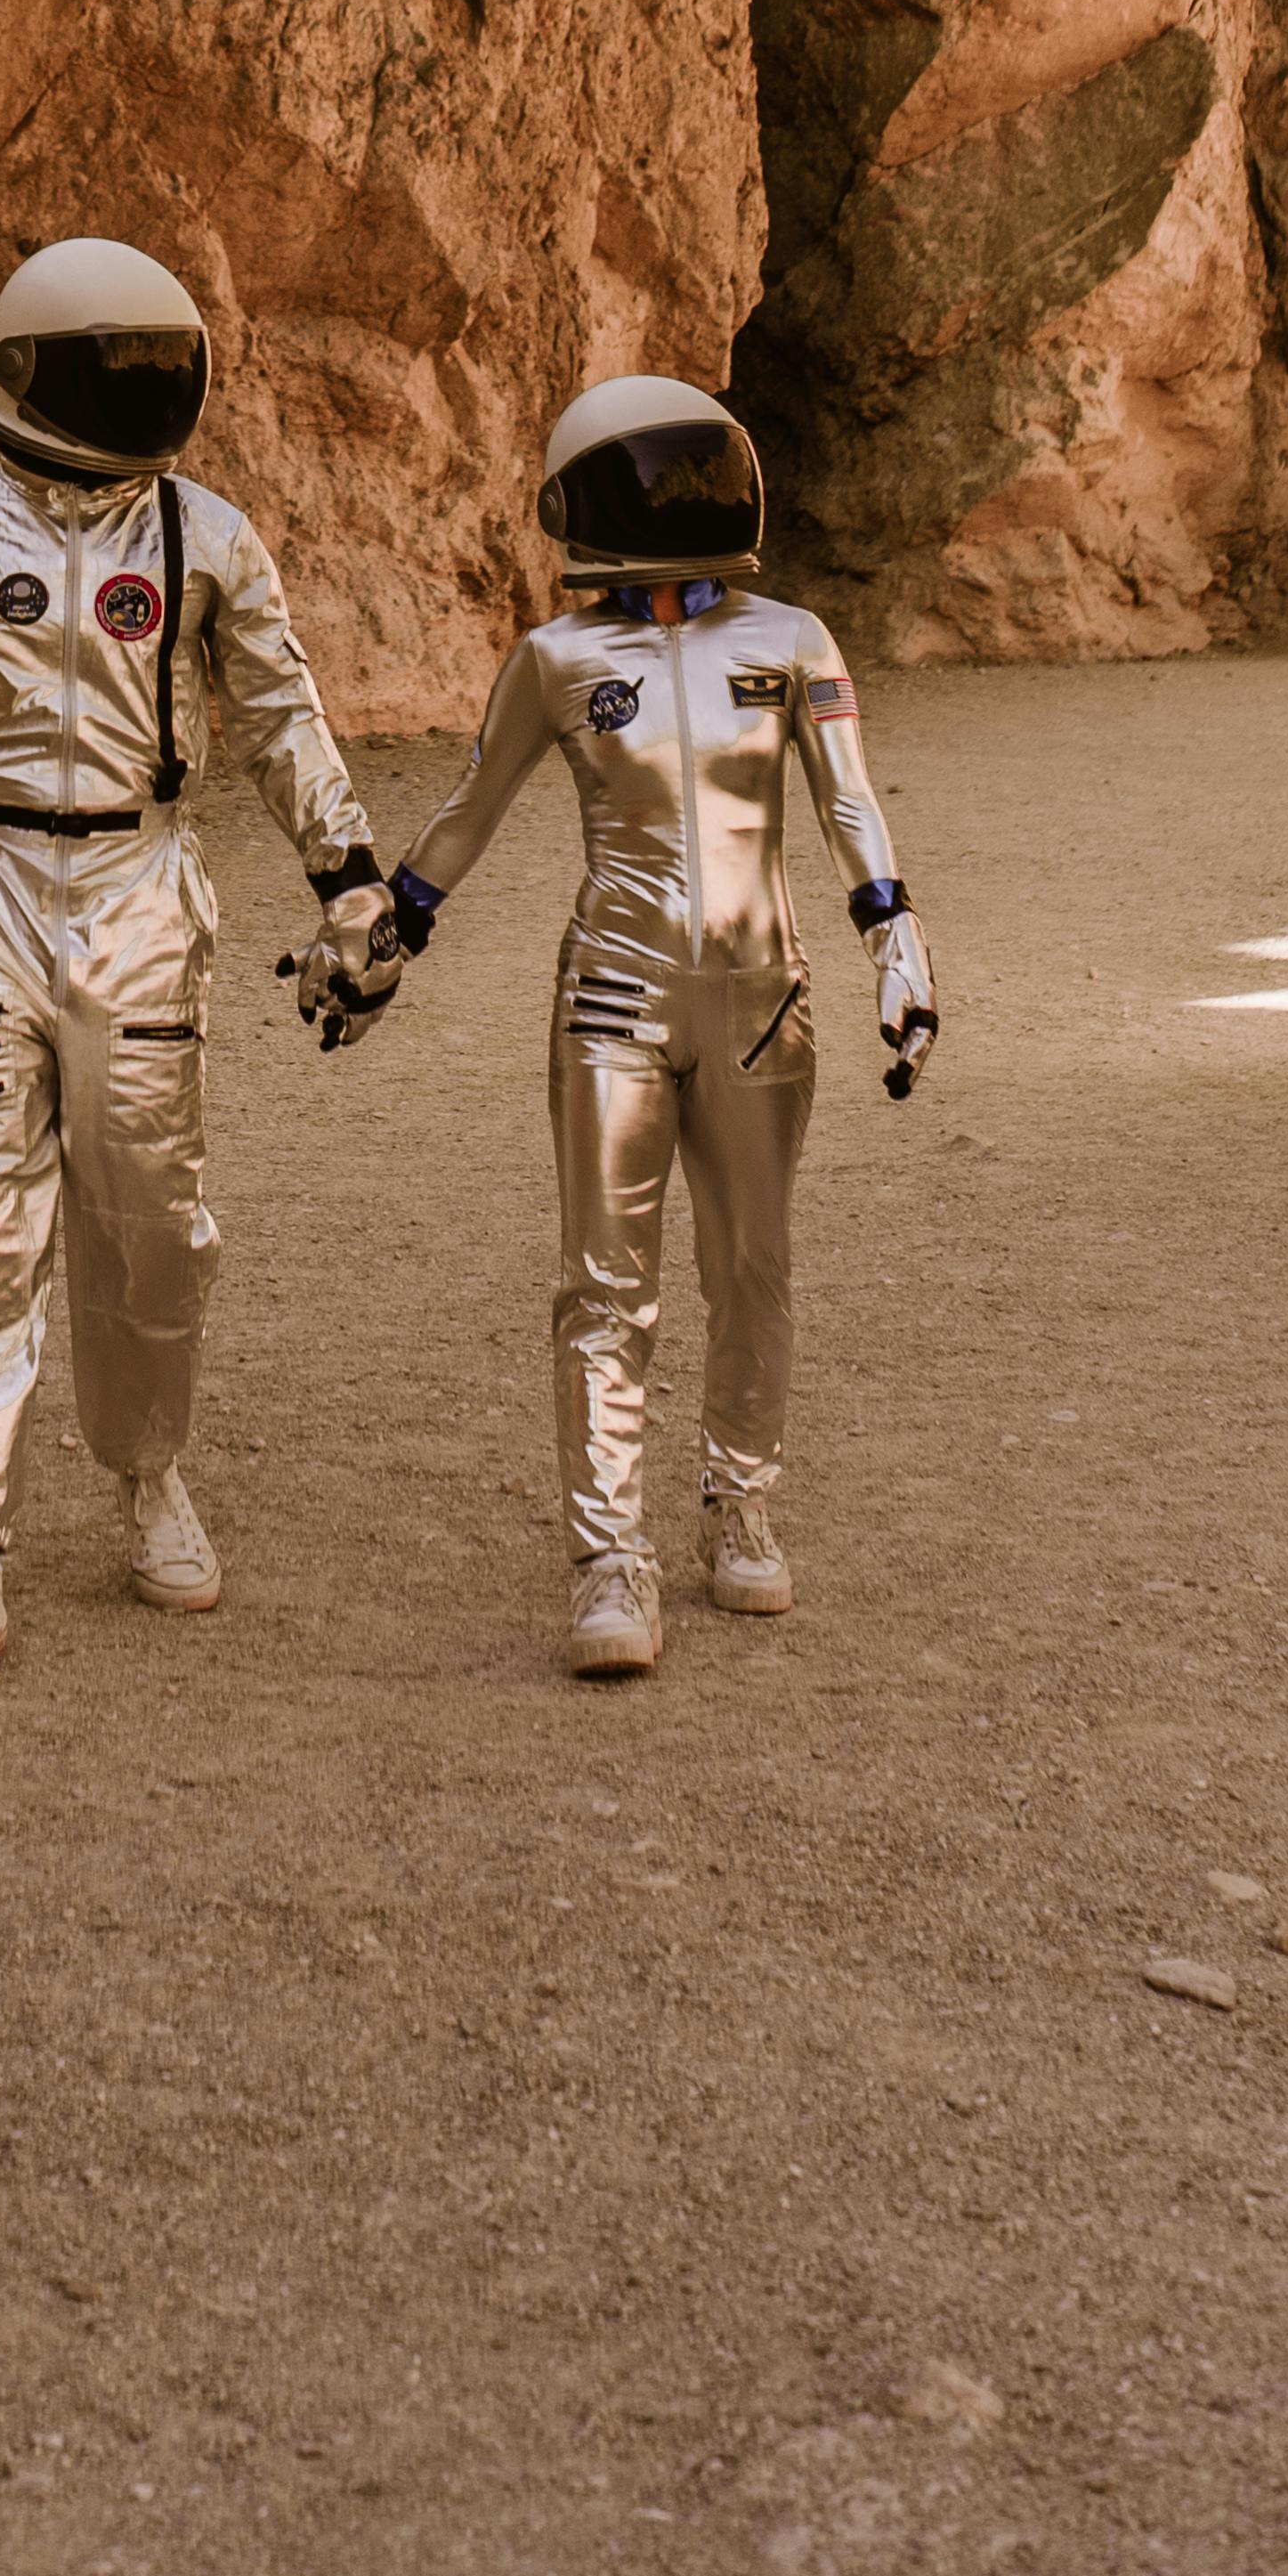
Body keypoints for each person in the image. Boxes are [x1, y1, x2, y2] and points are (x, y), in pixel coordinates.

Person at [0, 236, 401, 1685]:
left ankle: (145, 1470)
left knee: (147, 1217)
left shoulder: (207, 539)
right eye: (107, 371)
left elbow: (282, 716)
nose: (136, 398)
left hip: (139, 882)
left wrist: (349, 877)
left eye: (153, 372)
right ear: (24, 372)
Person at [385, 373, 937, 1678]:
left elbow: (849, 802)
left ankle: (740, 1495)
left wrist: (895, 935)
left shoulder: (796, 638)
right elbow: (470, 807)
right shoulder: (554, 657)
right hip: (614, 992)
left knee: (751, 1262)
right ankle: (606, 1555)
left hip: (763, 990)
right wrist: (388, 923)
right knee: (601, 1284)